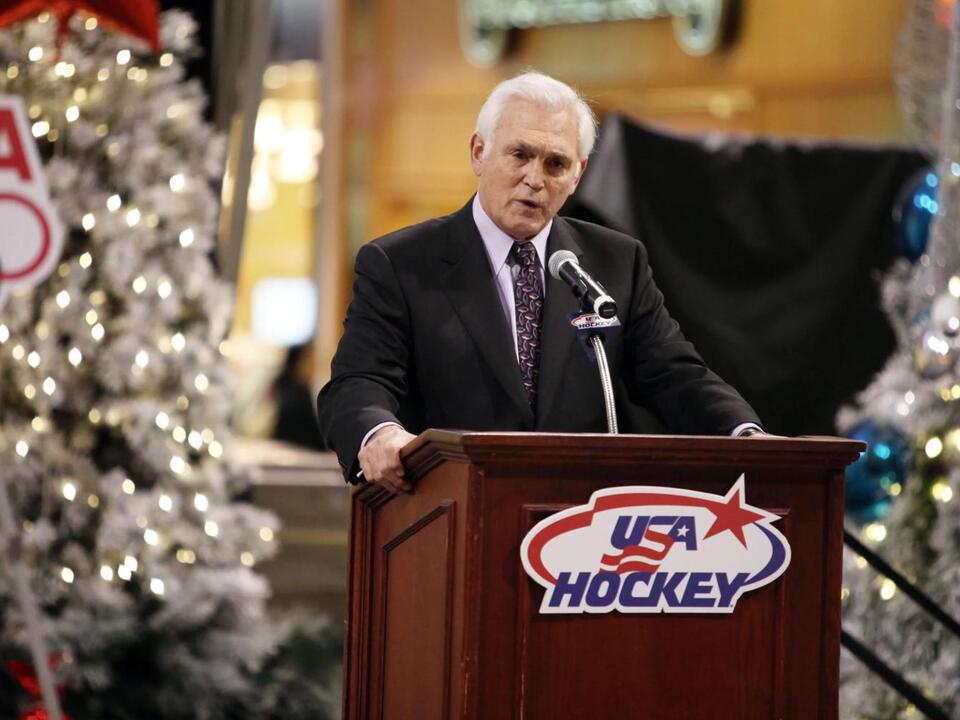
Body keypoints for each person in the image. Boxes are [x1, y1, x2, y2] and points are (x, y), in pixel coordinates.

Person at [317, 72, 763, 493]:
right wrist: (380, 433)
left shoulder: (615, 262)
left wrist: (745, 434)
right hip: (448, 513)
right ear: (478, 152)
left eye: (555, 163)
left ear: (578, 174)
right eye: (519, 155)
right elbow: (358, 382)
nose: (534, 179)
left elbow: (675, 375)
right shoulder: (400, 263)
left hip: (581, 525)